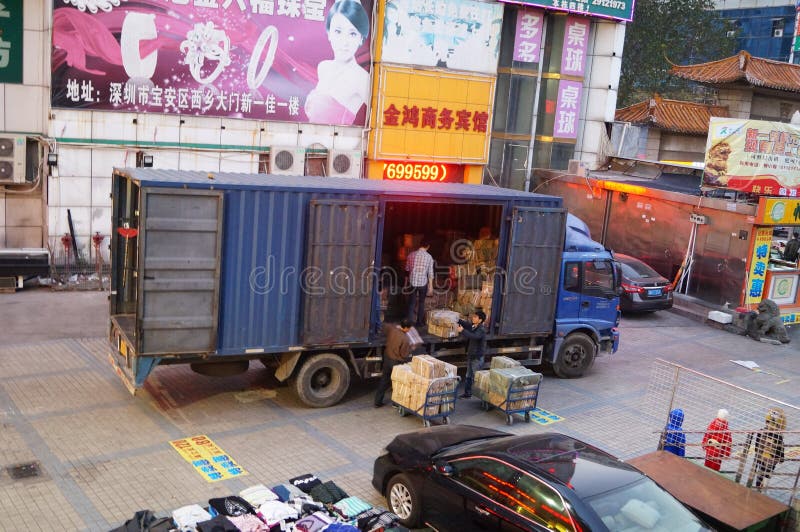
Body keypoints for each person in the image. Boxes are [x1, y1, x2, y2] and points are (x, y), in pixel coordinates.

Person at [304, 0, 370, 125]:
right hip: (309, 139)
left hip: (337, 142)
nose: (344, 42)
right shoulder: (323, 67)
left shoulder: (361, 78)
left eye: (352, 33)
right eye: (338, 31)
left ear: (360, 38)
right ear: (329, 33)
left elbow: (380, 116)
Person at [374, 319, 412, 408]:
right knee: (397, 383)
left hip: (387, 358)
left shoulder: (393, 330)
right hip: (396, 362)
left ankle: (377, 402)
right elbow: (404, 354)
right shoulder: (405, 339)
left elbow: (386, 326)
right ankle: (396, 403)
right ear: (406, 328)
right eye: (409, 328)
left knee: (384, 380)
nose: (409, 330)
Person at [457, 311, 486, 399]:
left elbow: (474, 336)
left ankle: (483, 397)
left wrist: (462, 331)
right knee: (468, 376)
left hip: (477, 357)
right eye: (473, 316)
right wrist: (456, 319)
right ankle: (467, 393)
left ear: (480, 320)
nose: (473, 318)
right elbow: (466, 324)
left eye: (475, 317)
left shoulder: (481, 329)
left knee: (476, 377)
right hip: (471, 355)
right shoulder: (474, 326)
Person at [406, 240, 434, 327]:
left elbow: (406, 270)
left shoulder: (411, 255)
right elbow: (430, 273)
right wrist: (431, 286)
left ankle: (409, 324)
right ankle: (419, 322)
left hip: (412, 282)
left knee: (411, 303)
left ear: (419, 245)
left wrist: (405, 282)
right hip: (423, 283)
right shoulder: (429, 257)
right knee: (421, 303)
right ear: (428, 246)